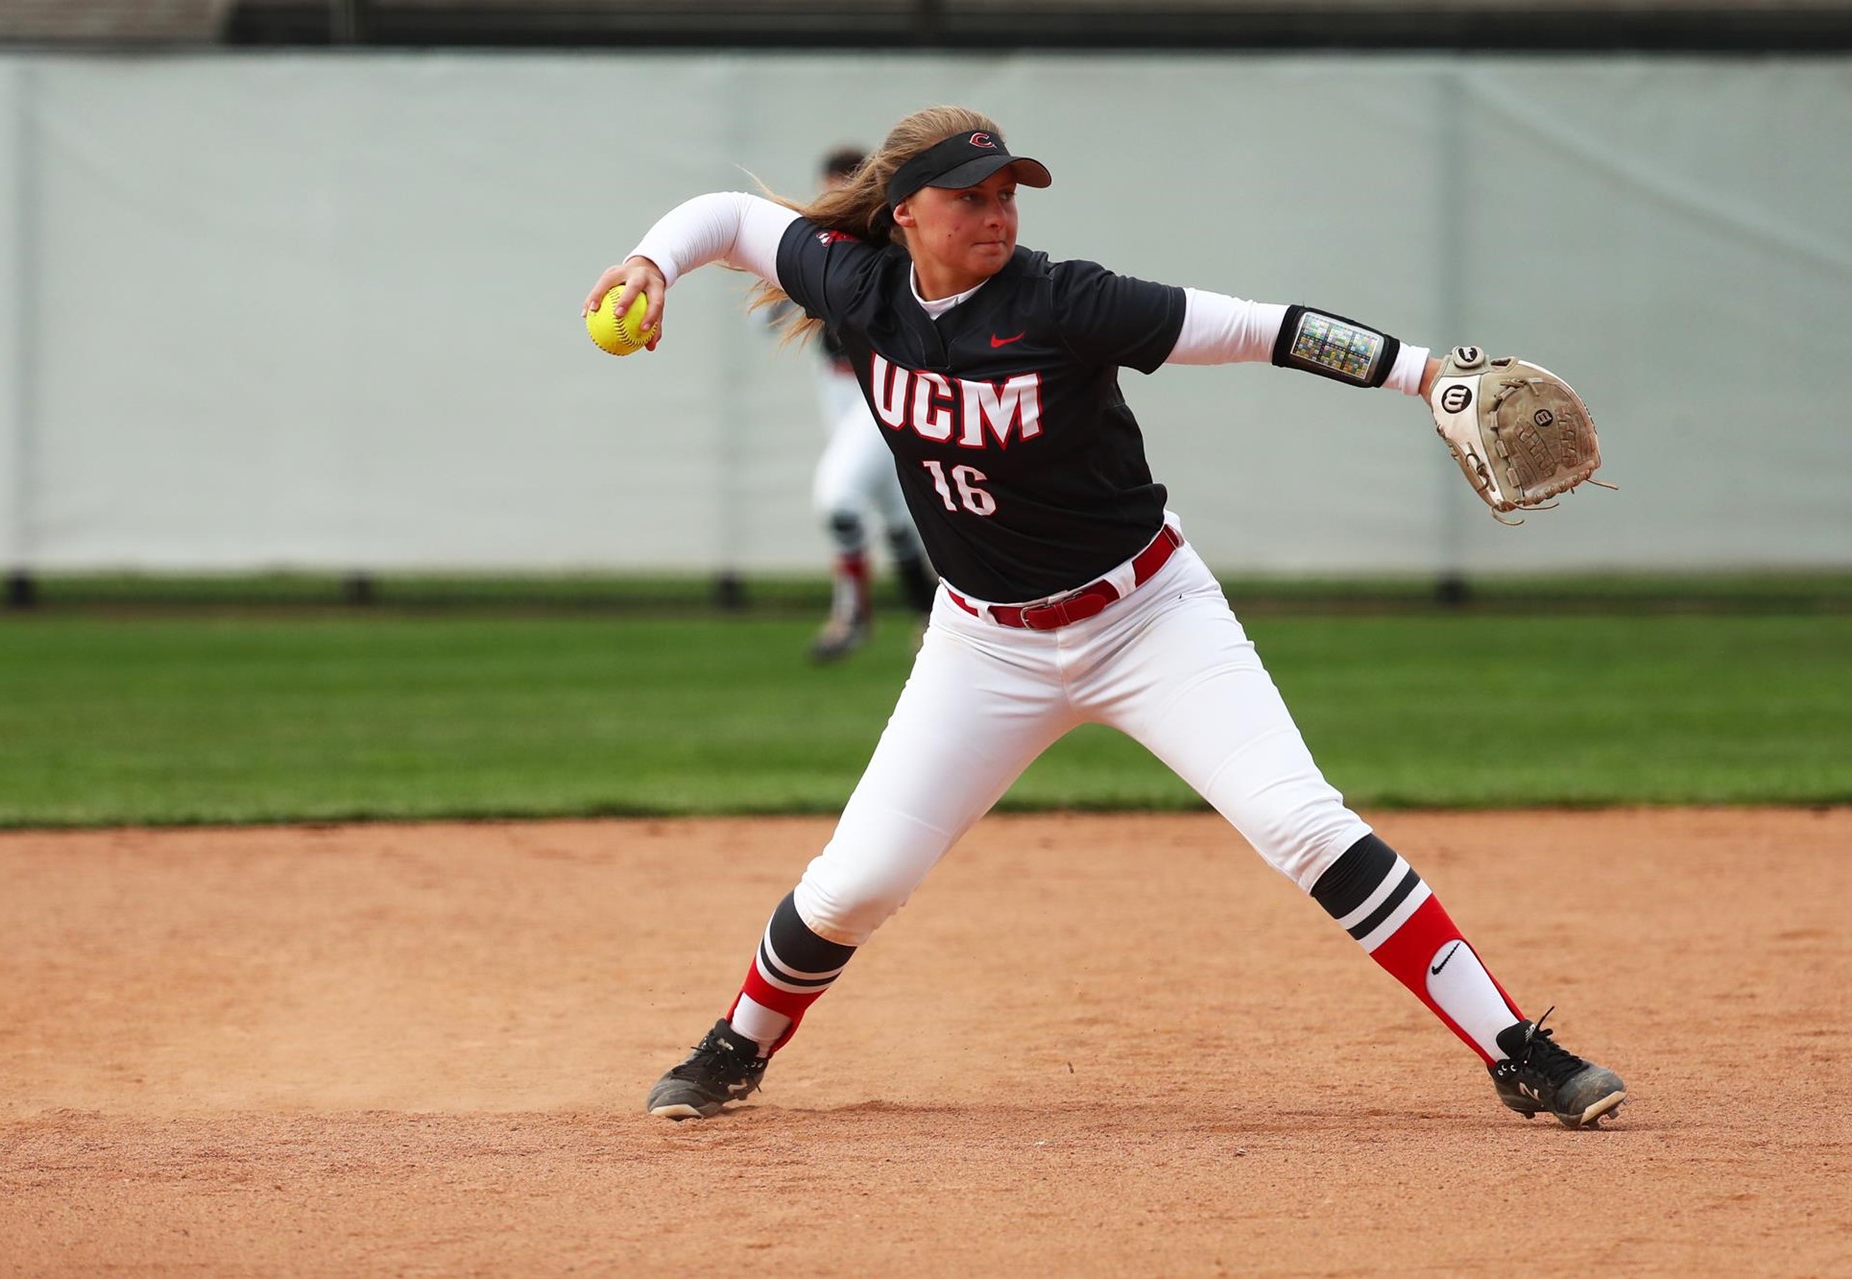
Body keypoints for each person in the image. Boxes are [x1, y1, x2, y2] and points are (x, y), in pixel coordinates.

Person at [584, 105, 1627, 1129]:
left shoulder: (1068, 303)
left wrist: (1426, 374)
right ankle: (736, 1047)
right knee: (856, 883)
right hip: (983, 643)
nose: (997, 215)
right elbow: (725, 217)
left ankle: (1517, 1050)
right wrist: (648, 263)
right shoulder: (856, 282)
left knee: (1301, 822)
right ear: (904, 211)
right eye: (970, 198)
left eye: (1007, 196)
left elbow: (1268, 331)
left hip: (1149, 618)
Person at [788, 146, 937, 663]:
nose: (838, 199)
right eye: (832, 188)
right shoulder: (815, 245)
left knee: (839, 495)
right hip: (837, 387)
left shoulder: (890, 245)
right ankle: (935, 617)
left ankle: (852, 616)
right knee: (896, 511)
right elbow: (772, 310)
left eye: (848, 187)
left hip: (884, 387)